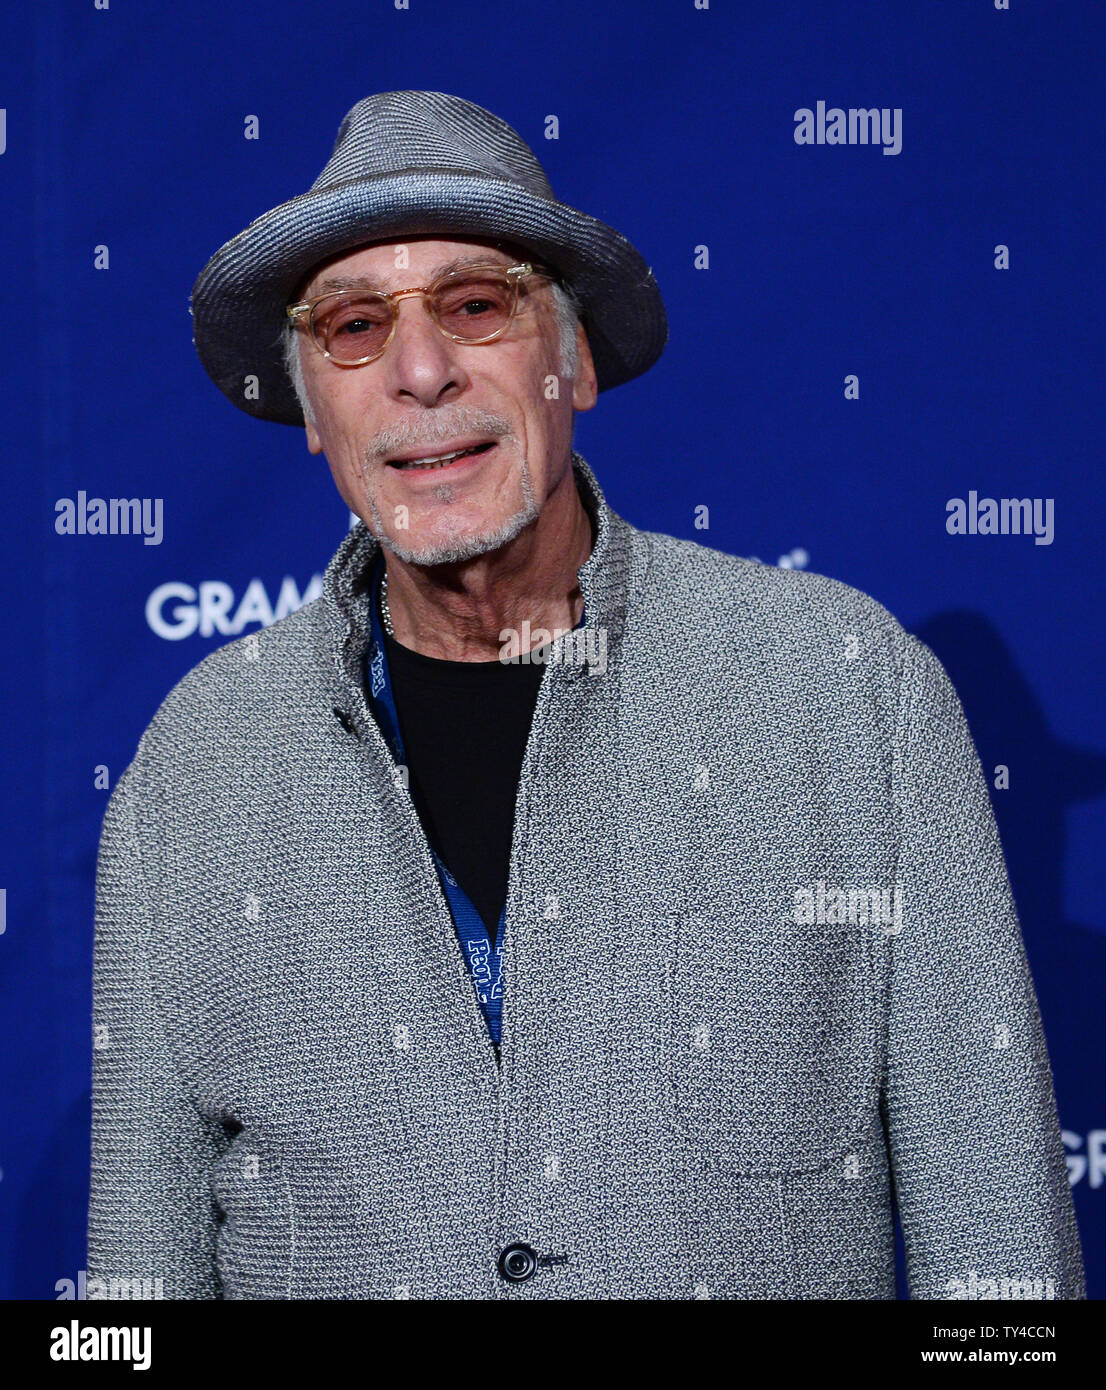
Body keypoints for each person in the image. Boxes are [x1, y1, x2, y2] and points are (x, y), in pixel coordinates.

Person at [87, 89, 1084, 1300]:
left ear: (574, 363)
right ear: (312, 410)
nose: (418, 371)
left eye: (474, 304)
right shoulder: (189, 770)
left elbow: (1000, 1277)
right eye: (353, 325)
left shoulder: (851, 695)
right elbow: (132, 1299)